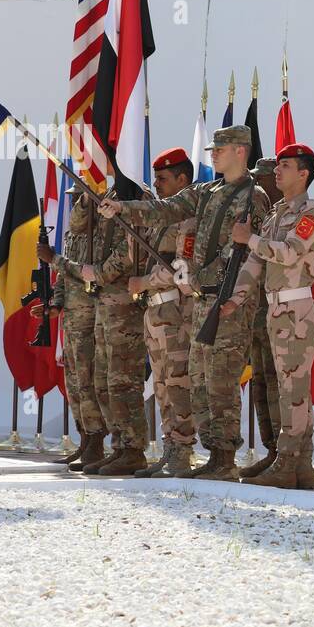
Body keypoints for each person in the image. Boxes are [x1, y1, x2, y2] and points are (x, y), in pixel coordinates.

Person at [98, 126, 268, 481]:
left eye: (219, 149)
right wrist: (123, 208)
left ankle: (224, 457)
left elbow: (241, 251)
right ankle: (210, 453)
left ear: (240, 151)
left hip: (229, 298)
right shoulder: (207, 191)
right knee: (202, 380)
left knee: (221, 379)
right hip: (204, 297)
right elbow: (165, 209)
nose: (213, 155)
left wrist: (208, 280)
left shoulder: (253, 195)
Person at [230, 142, 314, 489]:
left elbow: (288, 254)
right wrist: (234, 299)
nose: (277, 171)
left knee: (293, 391)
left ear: (303, 174)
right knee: (290, 389)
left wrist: (250, 239)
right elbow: (256, 265)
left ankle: (289, 463)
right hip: (277, 308)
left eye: (285, 166)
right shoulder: (276, 214)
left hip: (297, 309)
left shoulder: (310, 215)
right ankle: (300, 466)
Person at [130, 147, 197, 478]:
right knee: (161, 384)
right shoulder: (162, 220)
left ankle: (182, 452)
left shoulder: (186, 219)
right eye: (155, 178)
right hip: (155, 312)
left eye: (163, 179)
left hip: (174, 310)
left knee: (177, 381)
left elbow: (182, 268)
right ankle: (170, 447)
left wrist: (144, 280)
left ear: (182, 179)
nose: (156, 185)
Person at [41, 186, 108, 470]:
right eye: (72, 200)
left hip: (90, 318)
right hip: (72, 319)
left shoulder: (100, 235)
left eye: (79, 200)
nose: (75, 206)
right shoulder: (72, 235)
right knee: (75, 385)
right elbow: (63, 280)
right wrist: (54, 305)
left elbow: (88, 273)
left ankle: (95, 443)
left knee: (90, 382)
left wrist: (53, 258)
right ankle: (84, 439)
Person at [241, 156, 283, 479]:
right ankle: (271, 449)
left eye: (262, 178)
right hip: (255, 311)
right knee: (259, 381)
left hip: (278, 309)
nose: (257, 184)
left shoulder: (285, 220)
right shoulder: (264, 219)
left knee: (277, 381)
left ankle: (283, 451)